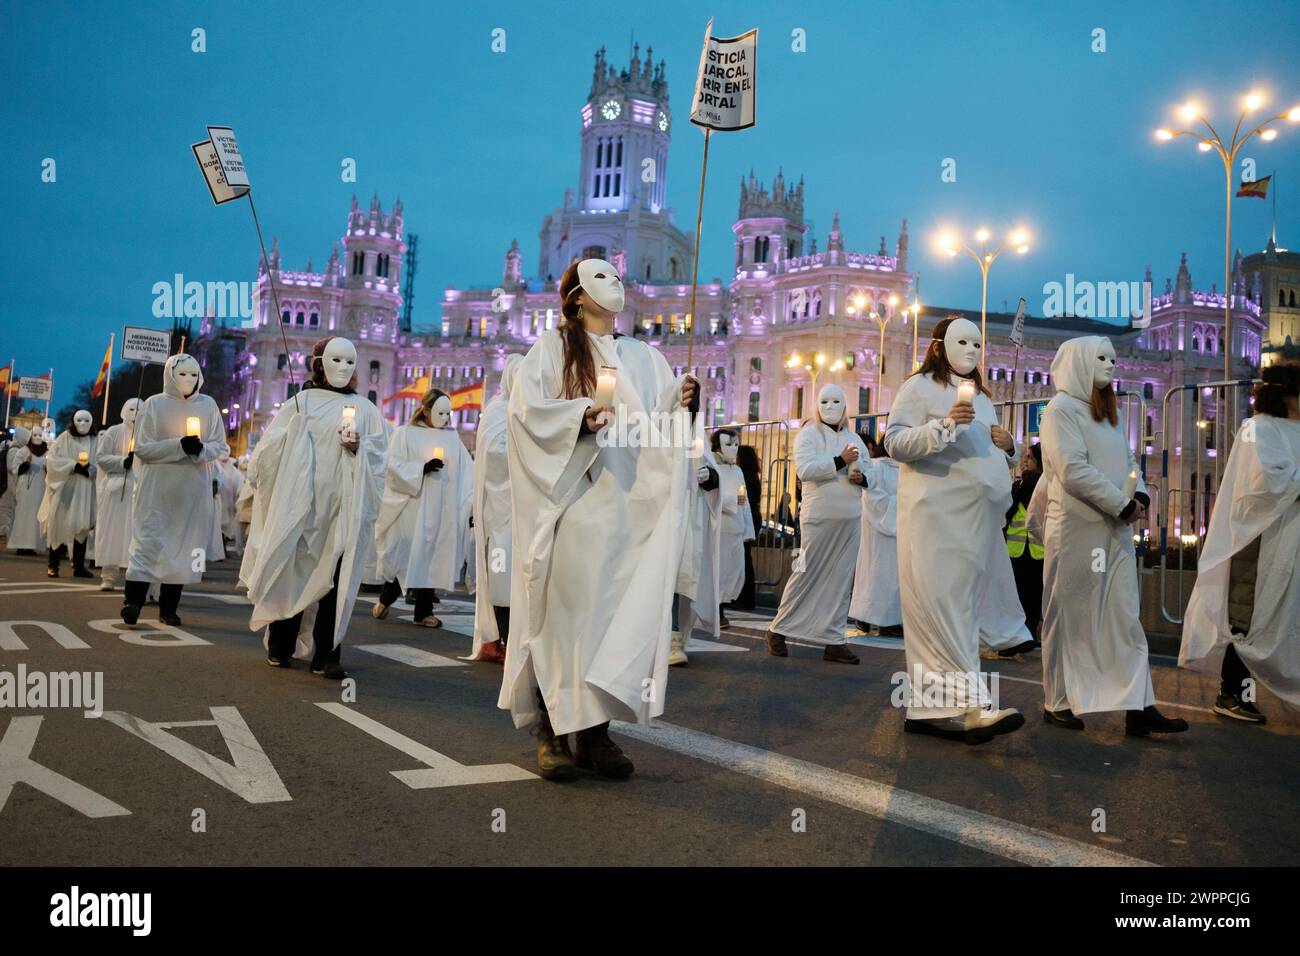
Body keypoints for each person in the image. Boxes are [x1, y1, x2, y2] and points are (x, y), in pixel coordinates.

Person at [499, 257, 696, 781]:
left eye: (618, 275)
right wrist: (577, 419)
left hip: (627, 507)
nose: (616, 283)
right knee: (565, 619)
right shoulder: (554, 349)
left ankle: (594, 734)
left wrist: (682, 402)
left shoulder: (646, 357)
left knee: (609, 620)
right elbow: (526, 414)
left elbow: (657, 424)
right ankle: (551, 732)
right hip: (577, 501)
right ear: (577, 295)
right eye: (601, 277)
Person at [884, 317, 1025, 743]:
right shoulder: (918, 388)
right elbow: (894, 442)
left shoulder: (983, 398)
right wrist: (944, 426)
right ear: (939, 345)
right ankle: (973, 708)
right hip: (934, 521)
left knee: (959, 612)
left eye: (978, 343)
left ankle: (926, 710)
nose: (971, 350)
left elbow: (992, 459)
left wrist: (1010, 447)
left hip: (974, 524)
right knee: (941, 610)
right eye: (962, 341)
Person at [1039, 336, 1186, 736]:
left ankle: (1138, 704)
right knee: (1067, 613)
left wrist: (1136, 493)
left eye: (1113, 358)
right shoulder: (1060, 409)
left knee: (1123, 616)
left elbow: (1130, 459)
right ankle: (1058, 700)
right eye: (1100, 358)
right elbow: (1072, 470)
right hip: (1075, 530)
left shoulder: (1110, 412)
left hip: (1114, 530)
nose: (1109, 365)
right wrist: (1120, 504)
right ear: (1079, 363)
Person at [242, 336, 386, 679]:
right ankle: (281, 645)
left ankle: (327, 652)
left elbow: (380, 459)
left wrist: (358, 448)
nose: (343, 368)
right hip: (303, 511)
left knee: (335, 583)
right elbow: (265, 455)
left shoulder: (366, 410)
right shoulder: (299, 403)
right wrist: (291, 435)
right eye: (336, 360)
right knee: (293, 573)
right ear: (319, 363)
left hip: (342, 514)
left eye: (350, 362)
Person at [1180, 363, 1300, 722]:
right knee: (1248, 619)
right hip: (1260, 540)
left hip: (1292, 542)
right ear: (1285, 395)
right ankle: (1233, 694)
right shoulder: (1256, 429)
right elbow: (1263, 482)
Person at [765, 383, 870, 665]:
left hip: (850, 519)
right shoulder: (808, 434)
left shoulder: (855, 439)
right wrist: (840, 460)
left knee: (841, 579)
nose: (831, 407)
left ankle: (834, 639)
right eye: (825, 401)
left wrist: (863, 477)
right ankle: (778, 629)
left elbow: (870, 469)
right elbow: (806, 470)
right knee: (806, 572)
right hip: (819, 518)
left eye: (837, 401)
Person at [122, 354, 227, 627]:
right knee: (147, 541)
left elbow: (219, 444)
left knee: (185, 547)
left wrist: (201, 449)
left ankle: (169, 608)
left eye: (194, 374)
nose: (189, 380)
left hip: (192, 491)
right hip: (157, 490)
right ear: (170, 375)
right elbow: (143, 448)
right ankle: (133, 600)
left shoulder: (209, 405)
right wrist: (178, 446)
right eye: (182, 374)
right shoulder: (154, 405)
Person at [374, 387, 473, 628]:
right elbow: (392, 464)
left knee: (434, 556)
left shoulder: (452, 438)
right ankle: (387, 598)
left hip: (442, 508)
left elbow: (467, 470)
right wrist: (421, 469)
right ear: (426, 410)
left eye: (449, 414)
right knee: (409, 554)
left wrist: (469, 503)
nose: (446, 419)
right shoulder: (405, 434)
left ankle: (424, 611)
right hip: (414, 506)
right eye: (441, 413)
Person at [471, 354, 523, 663]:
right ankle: (499, 637)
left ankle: (508, 638)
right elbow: (495, 454)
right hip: (499, 512)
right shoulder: (497, 411)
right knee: (501, 574)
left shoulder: (528, 411)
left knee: (518, 577)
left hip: (522, 512)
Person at [668, 441, 722, 667]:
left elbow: (716, 480)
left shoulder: (695, 436)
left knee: (679, 578)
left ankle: (673, 638)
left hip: (689, 516)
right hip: (659, 511)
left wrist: (709, 476)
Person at [849, 437, 902, 636]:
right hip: (879, 530)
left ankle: (879, 618)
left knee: (892, 576)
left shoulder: (909, 469)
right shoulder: (877, 466)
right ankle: (879, 619)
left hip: (901, 531)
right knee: (878, 574)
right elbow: (870, 495)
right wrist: (902, 505)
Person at [40, 410, 98, 578]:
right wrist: (73, 466)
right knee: (59, 524)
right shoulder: (64, 438)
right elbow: (52, 460)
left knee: (82, 526)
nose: (82, 423)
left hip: (85, 490)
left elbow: (99, 460)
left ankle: (78, 566)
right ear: (73, 421)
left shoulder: (95, 440)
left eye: (86, 420)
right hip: (65, 489)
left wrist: (90, 470)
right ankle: (53, 565)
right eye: (79, 420)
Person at [94, 398, 141, 591]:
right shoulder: (113, 432)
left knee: (136, 535)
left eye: (139, 410)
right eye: (131, 409)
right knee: (111, 532)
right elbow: (101, 457)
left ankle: (138, 579)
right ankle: (109, 575)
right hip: (115, 490)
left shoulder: (147, 434)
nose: (135, 414)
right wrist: (122, 462)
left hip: (138, 492)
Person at [711, 428, 756, 626]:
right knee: (716, 571)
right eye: (729, 444)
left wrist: (748, 529)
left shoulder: (737, 470)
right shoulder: (711, 467)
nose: (734, 449)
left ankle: (721, 608)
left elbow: (744, 501)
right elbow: (708, 496)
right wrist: (730, 501)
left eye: (736, 444)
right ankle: (717, 612)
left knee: (734, 571)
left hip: (735, 529)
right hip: (718, 529)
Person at [1005, 442, 1045, 641]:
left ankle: (1029, 633)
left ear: (1038, 462)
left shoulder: (1044, 487)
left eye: (1029, 457)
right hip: (1017, 549)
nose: (1024, 461)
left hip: (1037, 550)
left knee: (1033, 596)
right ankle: (1022, 634)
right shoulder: (1018, 486)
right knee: (1019, 595)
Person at [8, 427, 48, 555]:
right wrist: (26, 465)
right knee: (23, 516)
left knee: (36, 517)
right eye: (35, 435)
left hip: (40, 489)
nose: (37, 437)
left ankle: (32, 544)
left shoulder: (46, 452)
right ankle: (21, 545)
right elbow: (14, 469)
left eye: (39, 435)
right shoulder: (23, 451)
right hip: (26, 489)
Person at [735, 443, 763, 610]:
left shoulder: (743, 475)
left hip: (747, 516)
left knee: (742, 557)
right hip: (754, 515)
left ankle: (743, 598)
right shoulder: (753, 475)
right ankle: (747, 599)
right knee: (746, 556)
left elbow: (741, 499)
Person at [216, 450, 245, 555]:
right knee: (218, 529)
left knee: (226, 529)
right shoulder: (216, 468)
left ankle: (222, 550)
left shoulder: (234, 472)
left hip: (228, 506)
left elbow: (240, 487)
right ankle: (220, 550)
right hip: (218, 504)